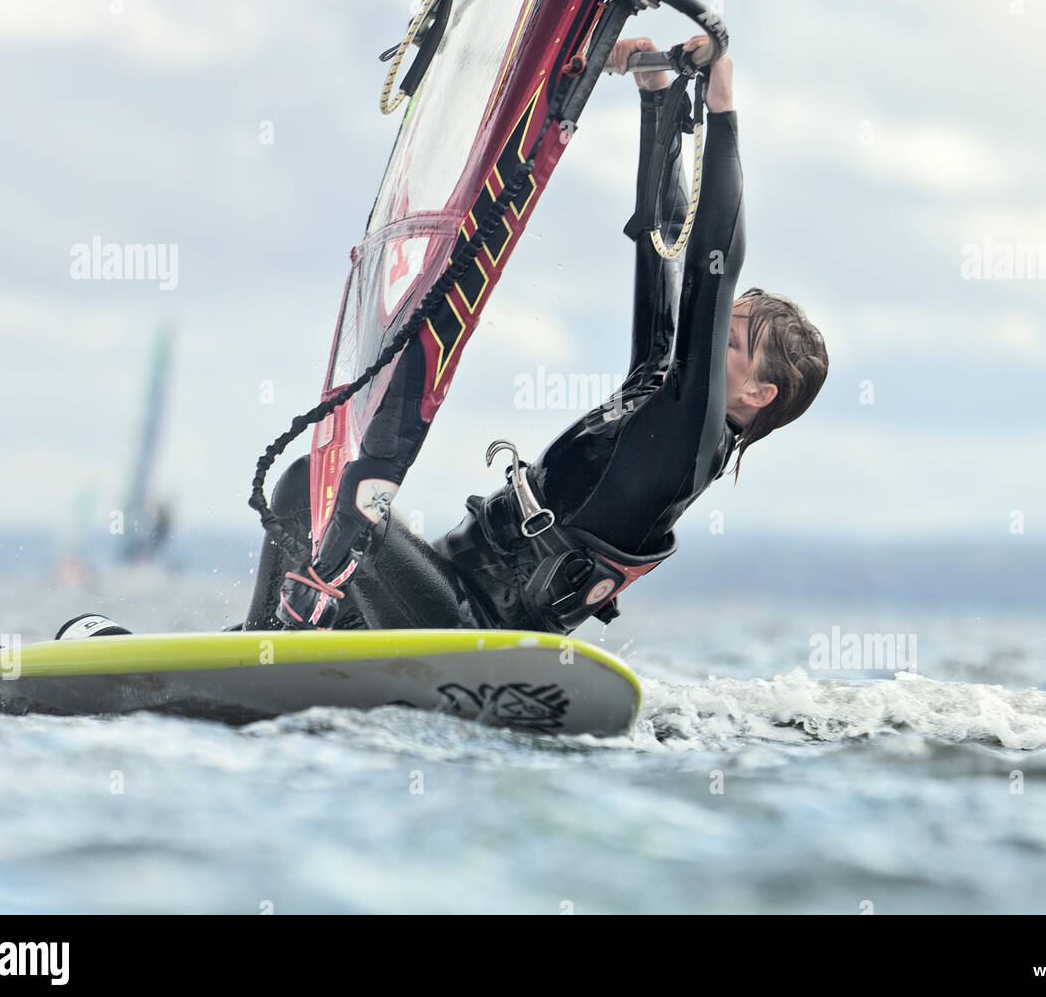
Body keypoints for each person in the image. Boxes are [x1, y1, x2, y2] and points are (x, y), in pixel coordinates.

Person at [241, 35, 828, 637]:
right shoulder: (656, 381)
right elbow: (664, 245)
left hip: (478, 634)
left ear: (758, 394)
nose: (705, 343)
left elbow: (712, 264)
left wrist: (721, 97)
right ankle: (260, 645)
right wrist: (658, 100)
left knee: (342, 494)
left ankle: (272, 650)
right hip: (435, 591)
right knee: (307, 483)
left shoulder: (691, 443)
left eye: (729, 345)